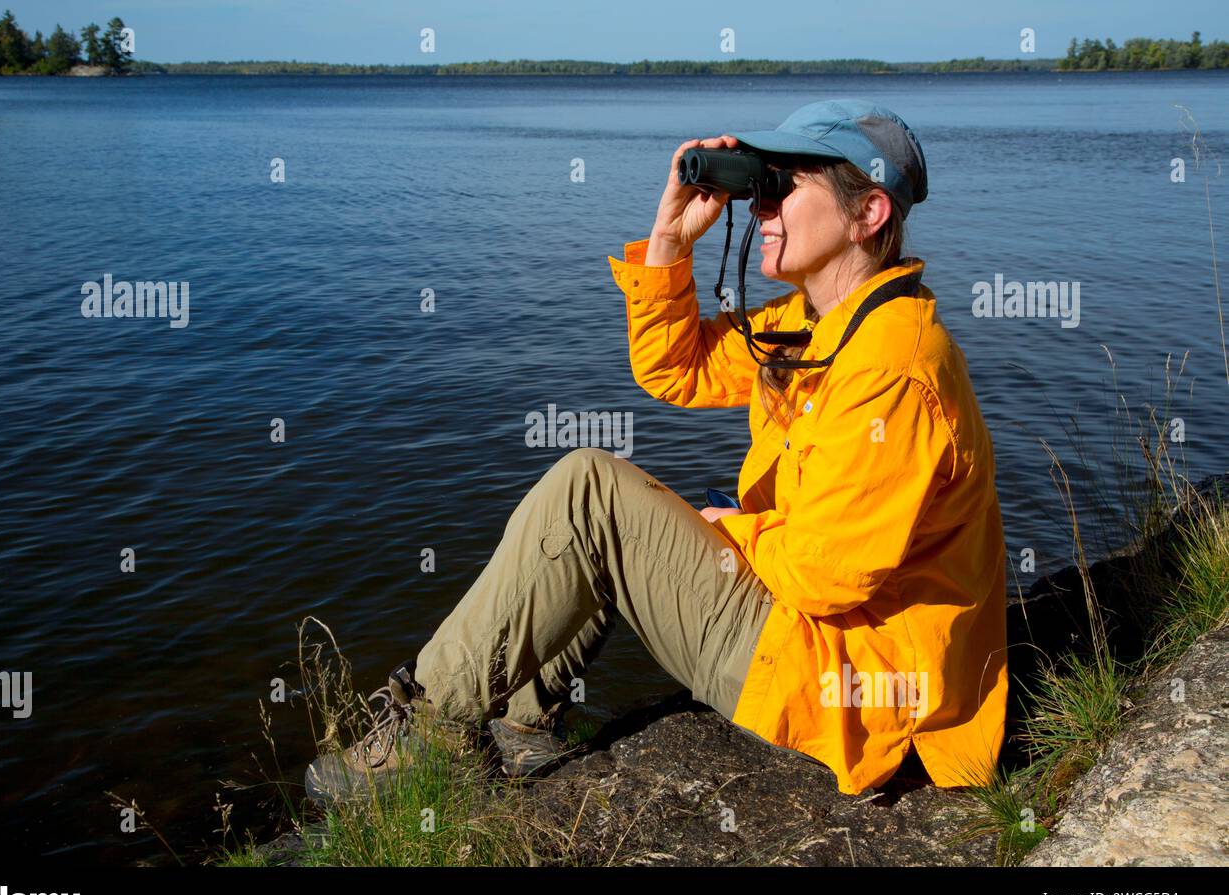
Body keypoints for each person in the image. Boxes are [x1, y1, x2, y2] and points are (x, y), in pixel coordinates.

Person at [305, 100, 1008, 806]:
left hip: (858, 693)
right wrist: (671, 235)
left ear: (869, 214)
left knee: (591, 492)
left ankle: (427, 737)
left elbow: (828, 577)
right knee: (617, 503)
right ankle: (522, 725)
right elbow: (679, 367)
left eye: (786, 185)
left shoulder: (892, 365)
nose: (762, 206)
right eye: (761, 185)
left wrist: (721, 528)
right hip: (822, 638)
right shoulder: (814, 325)